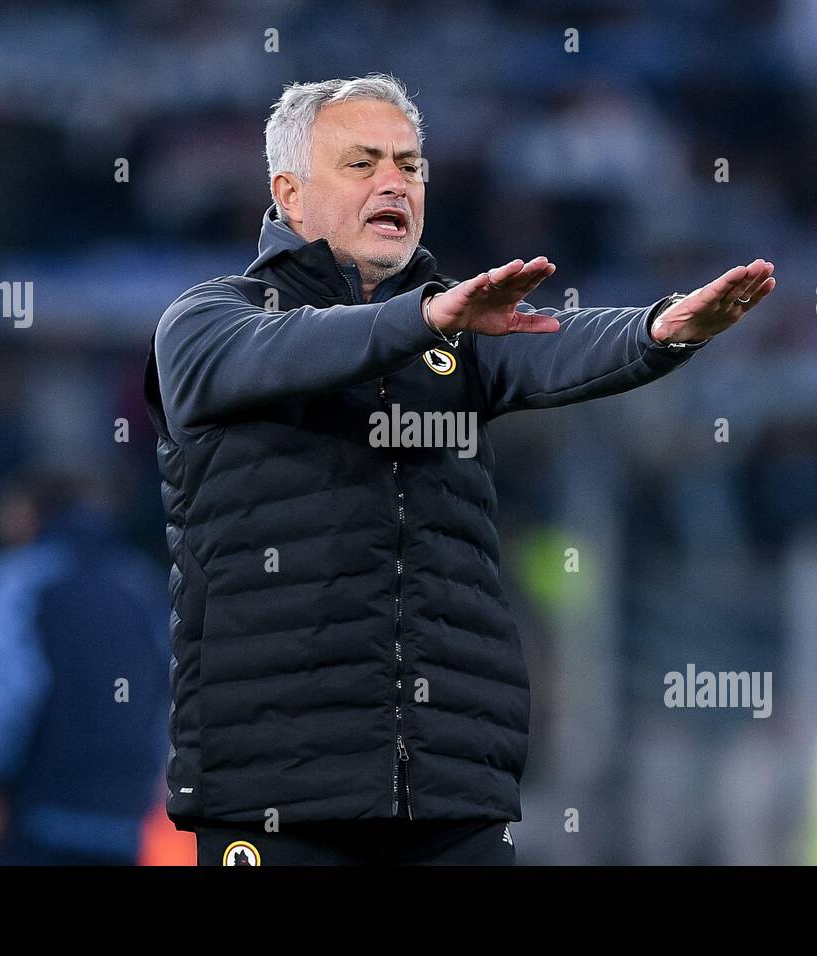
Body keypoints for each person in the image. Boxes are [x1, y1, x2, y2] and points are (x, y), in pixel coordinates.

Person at [142, 73, 775, 865]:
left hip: (450, 795)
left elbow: (559, 341)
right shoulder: (206, 323)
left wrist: (659, 328)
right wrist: (423, 315)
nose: (394, 183)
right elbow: (290, 350)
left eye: (409, 165)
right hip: (276, 794)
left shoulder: (457, 336)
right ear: (290, 195)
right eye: (363, 163)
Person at [0, 469, 170, 865]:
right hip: (124, 822)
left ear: (28, 510)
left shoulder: (18, 579)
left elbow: (7, 693)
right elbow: (170, 692)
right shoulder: (140, 583)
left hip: (39, 816)